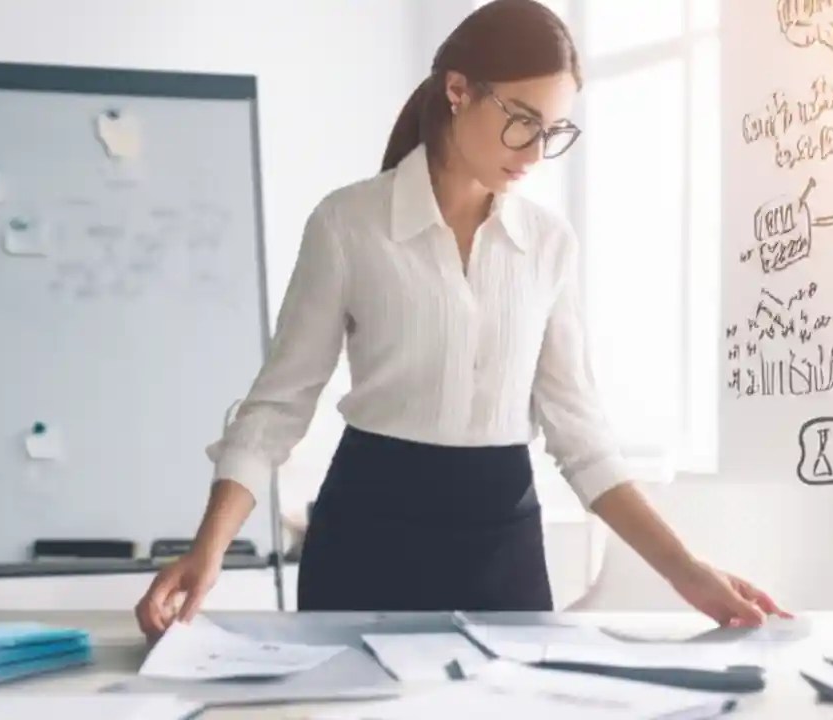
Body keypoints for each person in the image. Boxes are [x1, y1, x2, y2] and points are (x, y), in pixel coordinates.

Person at [135, 0, 789, 640]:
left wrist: (688, 573)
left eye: (553, 130)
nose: (535, 151)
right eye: (522, 120)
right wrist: (209, 551)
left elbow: (582, 440)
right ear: (457, 90)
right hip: (367, 541)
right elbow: (276, 409)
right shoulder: (348, 224)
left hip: (501, 550)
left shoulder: (548, 243)